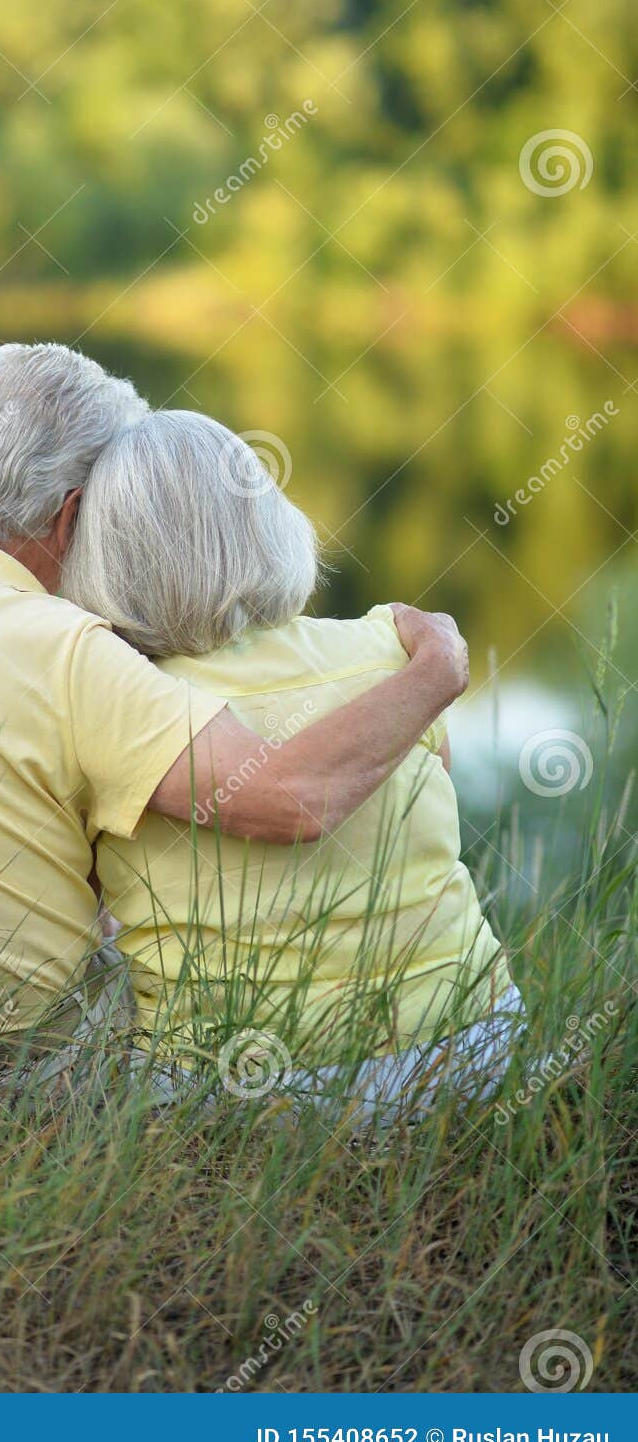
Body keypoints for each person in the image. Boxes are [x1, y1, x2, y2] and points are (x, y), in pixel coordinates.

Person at [0, 344, 469, 1045]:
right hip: (12, 1068)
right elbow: (292, 796)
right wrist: (433, 670)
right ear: (77, 513)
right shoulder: (68, 651)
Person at [60, 409, 520, 1114]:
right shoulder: (392, 650)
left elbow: (82, 905)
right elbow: (431, 813)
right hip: (475, 1046)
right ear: (269, 522)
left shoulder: (117, 703)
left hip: (239, 1087)